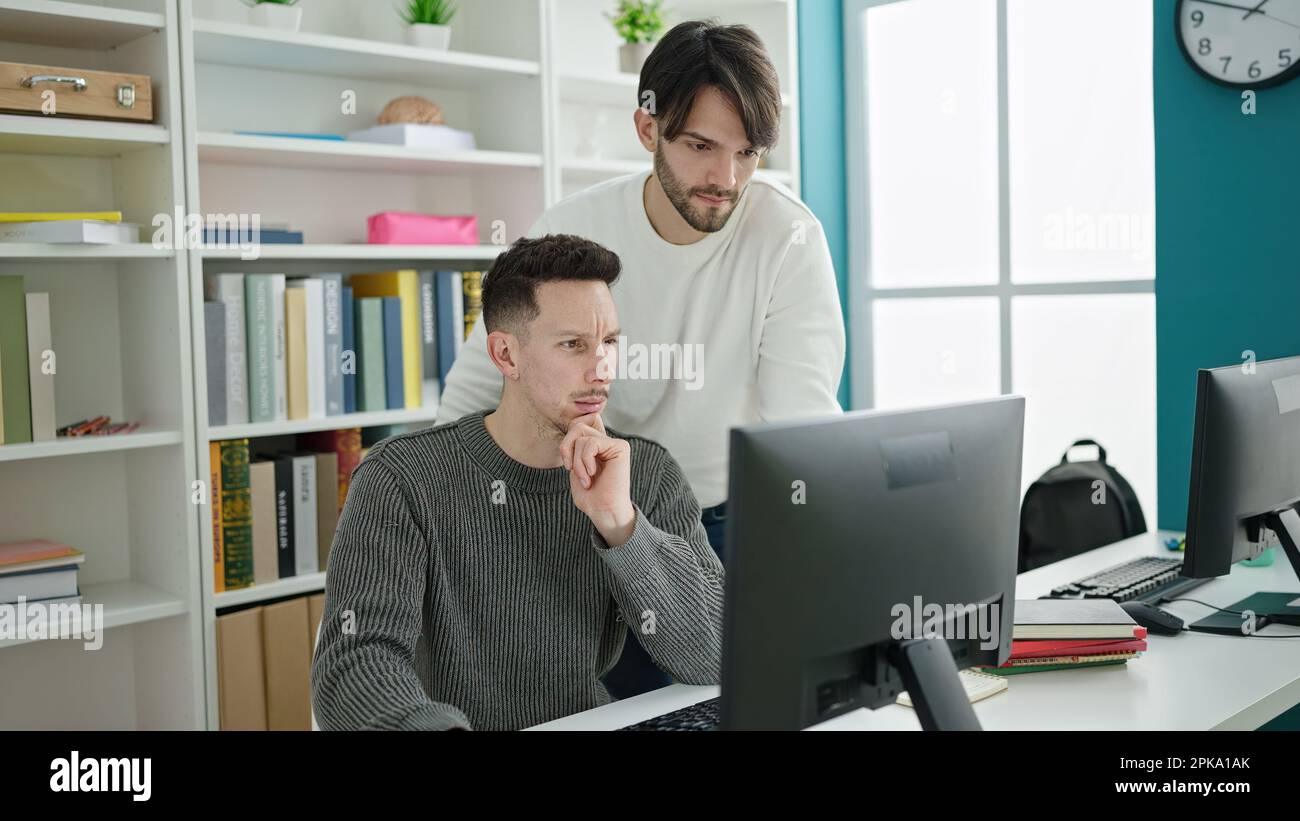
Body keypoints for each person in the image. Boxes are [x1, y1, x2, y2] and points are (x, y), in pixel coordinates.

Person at [436, 20, 845, 696]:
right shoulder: (575, 229)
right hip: (597, 515)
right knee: (610, 707)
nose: (727, 178)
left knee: (735, 703)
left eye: (748, 153)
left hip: (733, 519)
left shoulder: (788, 237)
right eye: (702, 146)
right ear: (647, 128)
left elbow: (800, 424)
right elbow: (478, 386)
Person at [310, 234, 724, 731]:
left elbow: (715, 656)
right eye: (573, 345)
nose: (602, 370)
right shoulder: (401, 478)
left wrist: (621, 524)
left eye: (609, 343)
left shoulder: (646, 472)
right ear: (506, 355)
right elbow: (356, 660)